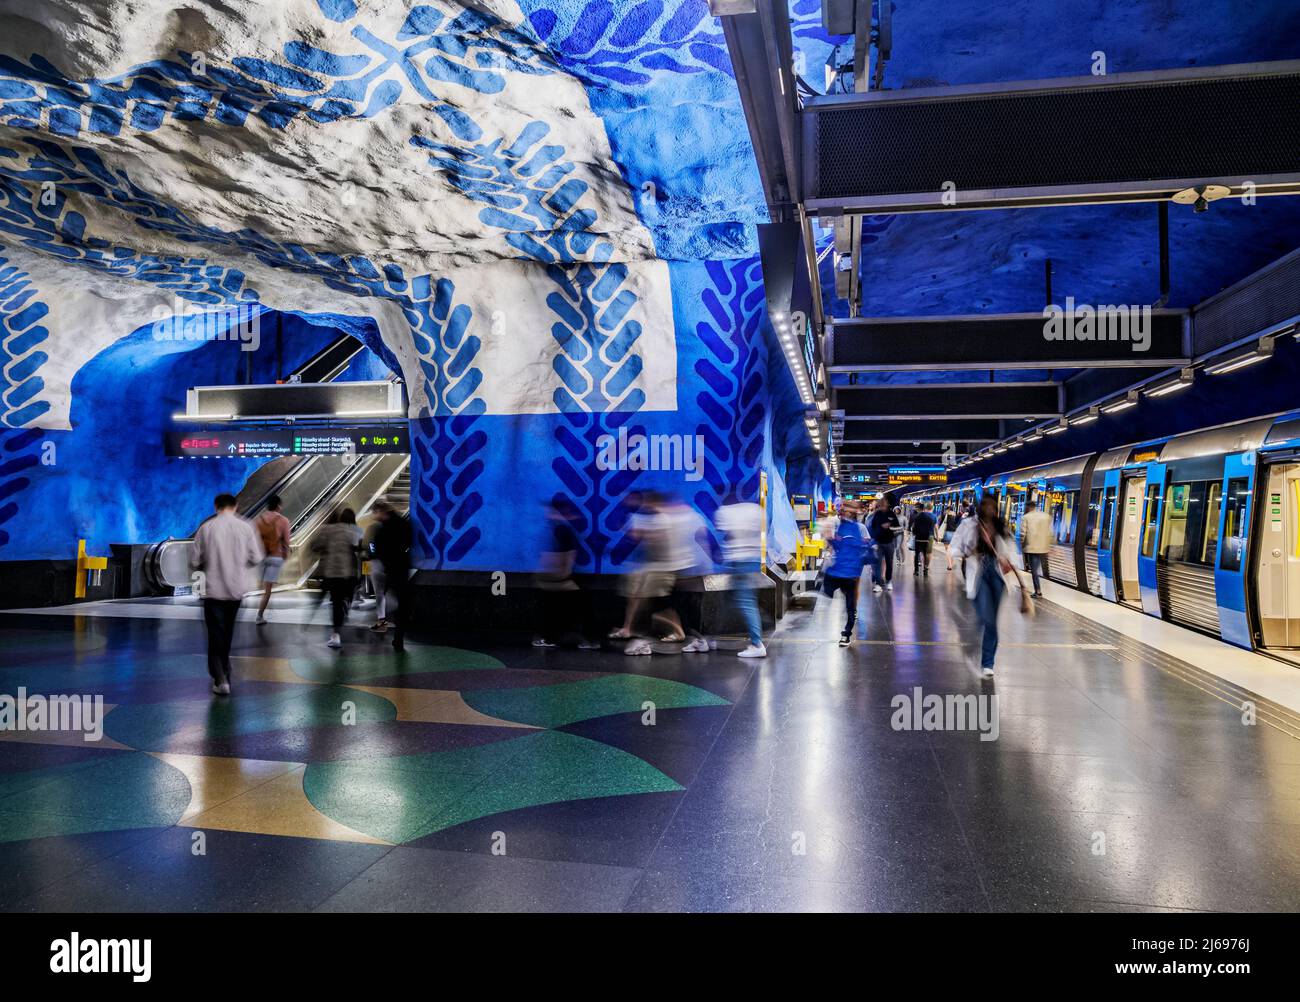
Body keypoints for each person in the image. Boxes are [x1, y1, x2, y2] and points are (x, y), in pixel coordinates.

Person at [190, 493, 264, 695]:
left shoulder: (206, 528)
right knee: (228, 632)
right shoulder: (246, 526)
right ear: (236, 506)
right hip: (236, 590)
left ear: (216, 506)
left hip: (212, 590)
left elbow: (194, 561)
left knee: (215, 634)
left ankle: (220, 678)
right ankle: (225, 671)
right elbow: (256, 557)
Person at [952, 496, 1023, 678]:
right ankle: (980, 653)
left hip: (998, 575)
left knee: (992, 621)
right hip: (978, 573)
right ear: (981, 508)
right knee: (987, 618)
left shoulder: (1001, 527)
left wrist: (1010, 562)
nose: (990, 510)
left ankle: (988, 663)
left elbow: (1012, 550)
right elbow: (954, 547)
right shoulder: (968, 525)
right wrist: (967, 551)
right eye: (986, 506)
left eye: (993, 507)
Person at [533, 499, 600, 650]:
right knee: (570, 609)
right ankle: (587, 639)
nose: (547, 514)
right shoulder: (560, 528)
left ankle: (555, 638)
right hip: (564, 577)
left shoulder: (561, 529)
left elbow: (569, 553)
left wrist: (562, 574)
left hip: (564, 578)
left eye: (550, 511)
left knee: (566, 609)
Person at [717, 495, 765, 659]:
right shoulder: (756, 510)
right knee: (744, 600)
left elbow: (727, 535)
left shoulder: (725, 511)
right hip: (753, 560)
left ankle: (757, 643)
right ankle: (754, 638)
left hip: (739, 561)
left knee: (745, 602)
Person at [822, 501, 873, 648]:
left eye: (848, 509)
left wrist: (864, 545)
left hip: (851, 571)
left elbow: (866, 544)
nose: (844, 511)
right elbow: (838, 545)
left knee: (850, 604)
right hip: (838, 569)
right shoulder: (840, 526)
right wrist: (830, 538)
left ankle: (846, 634)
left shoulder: (860, 528)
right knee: (829, 592)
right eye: (843, 509)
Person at [312, 506, 363, 649]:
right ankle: (346, 603)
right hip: (349, 571)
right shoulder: (353, 530)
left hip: (333, 573)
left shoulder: (327, 530)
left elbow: (315, 546)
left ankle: (336, 635)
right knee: (342, 599)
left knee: (336, 603)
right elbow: (358, 545)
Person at [371, 499, 413, 652]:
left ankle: (386, 623)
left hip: (390, 569)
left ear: (382, 511)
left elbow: (378, 549)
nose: (374, 516)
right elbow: (409, 542)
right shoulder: (404, 523)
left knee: (388, 598)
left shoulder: (383, 529)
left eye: (375, 513)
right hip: (403, 567)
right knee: (402, 604)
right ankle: (399, 637)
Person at [253, 494, 291, 624]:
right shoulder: (284, 520)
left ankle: (263, 606)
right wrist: (285, 553)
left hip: (262, 556)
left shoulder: (258, 520)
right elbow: (286, 541)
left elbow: (254, 539)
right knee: (268, 589)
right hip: (275, 557)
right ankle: (259, 615)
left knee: (263, 586)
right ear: (278, 506)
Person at [867, 498, 901, 593]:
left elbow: (898, 527)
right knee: (877, 563)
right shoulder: (876, 515)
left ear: (886, 504)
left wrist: (890, 527)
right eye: (880, 505)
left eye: (883, 504)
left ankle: (889, 581)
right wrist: (872, 540)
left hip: (889, 542)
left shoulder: (891, 514)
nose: (882, 506)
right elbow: (872, 527)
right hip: (878, 542)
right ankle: (878, 584)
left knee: (889, 562)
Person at [909, 501, 936, 577]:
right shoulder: (929, 518)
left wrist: (914, 533)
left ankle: (916, 570)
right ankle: (925, 569)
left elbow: (914, 528)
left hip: (918, 539)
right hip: (926, 538)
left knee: (916, 554)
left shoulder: (917, 517)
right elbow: (931, 528)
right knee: (925, 554)